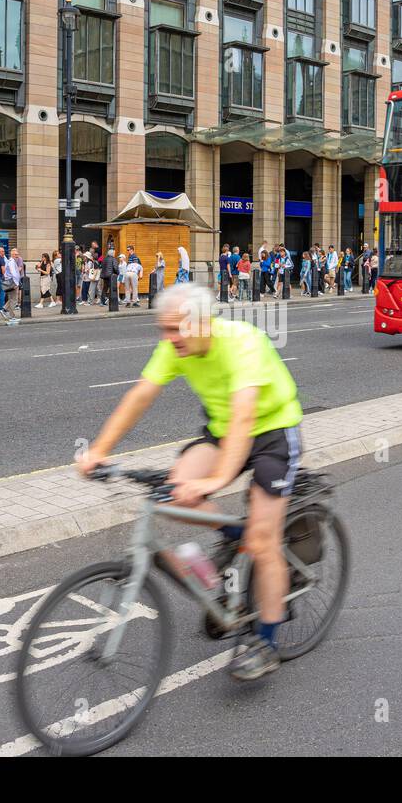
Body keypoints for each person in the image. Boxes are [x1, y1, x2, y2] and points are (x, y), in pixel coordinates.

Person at [77, 284, 304, 681]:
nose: (169, 339)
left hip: (272, 432)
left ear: (202, 322)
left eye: (176, 330)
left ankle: (265, 641)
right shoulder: (176, 347)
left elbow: (245, 417)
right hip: (221, 432)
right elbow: (140, 396)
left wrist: (216, 479)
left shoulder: (242, 343)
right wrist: (99, 451)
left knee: (264, 540)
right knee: (176, 490)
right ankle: (234, 537)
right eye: (164, 330)